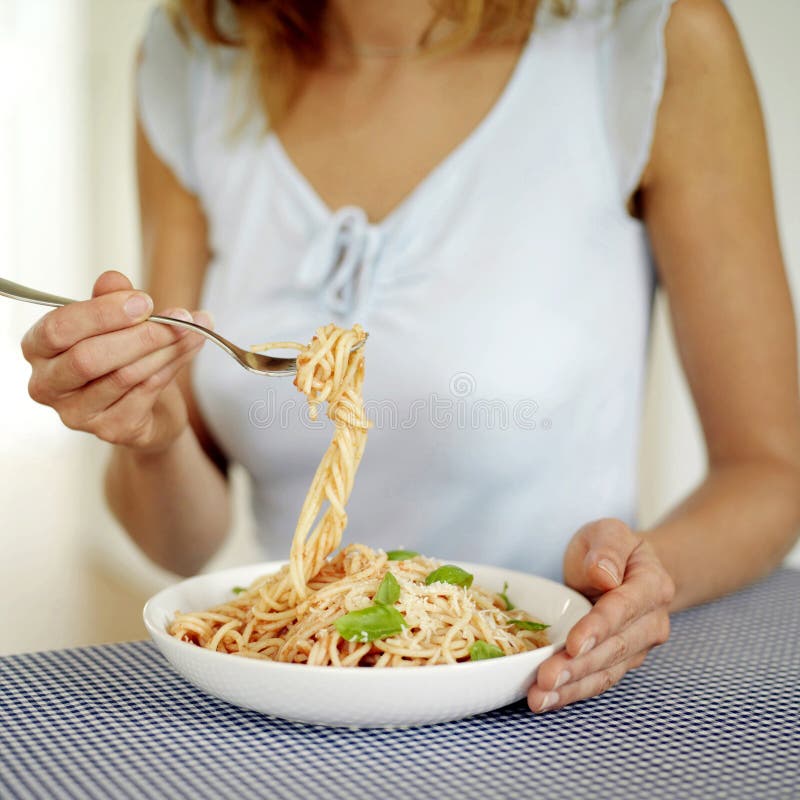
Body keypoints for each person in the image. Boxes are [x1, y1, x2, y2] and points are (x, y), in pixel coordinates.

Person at [20, 0, 800, 713]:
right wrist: (152, 435)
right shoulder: (195, 52)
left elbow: (771, 470)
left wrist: (642, 576)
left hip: (554, 695)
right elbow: (178, 544)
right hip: (298, 695)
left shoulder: (649, 39)